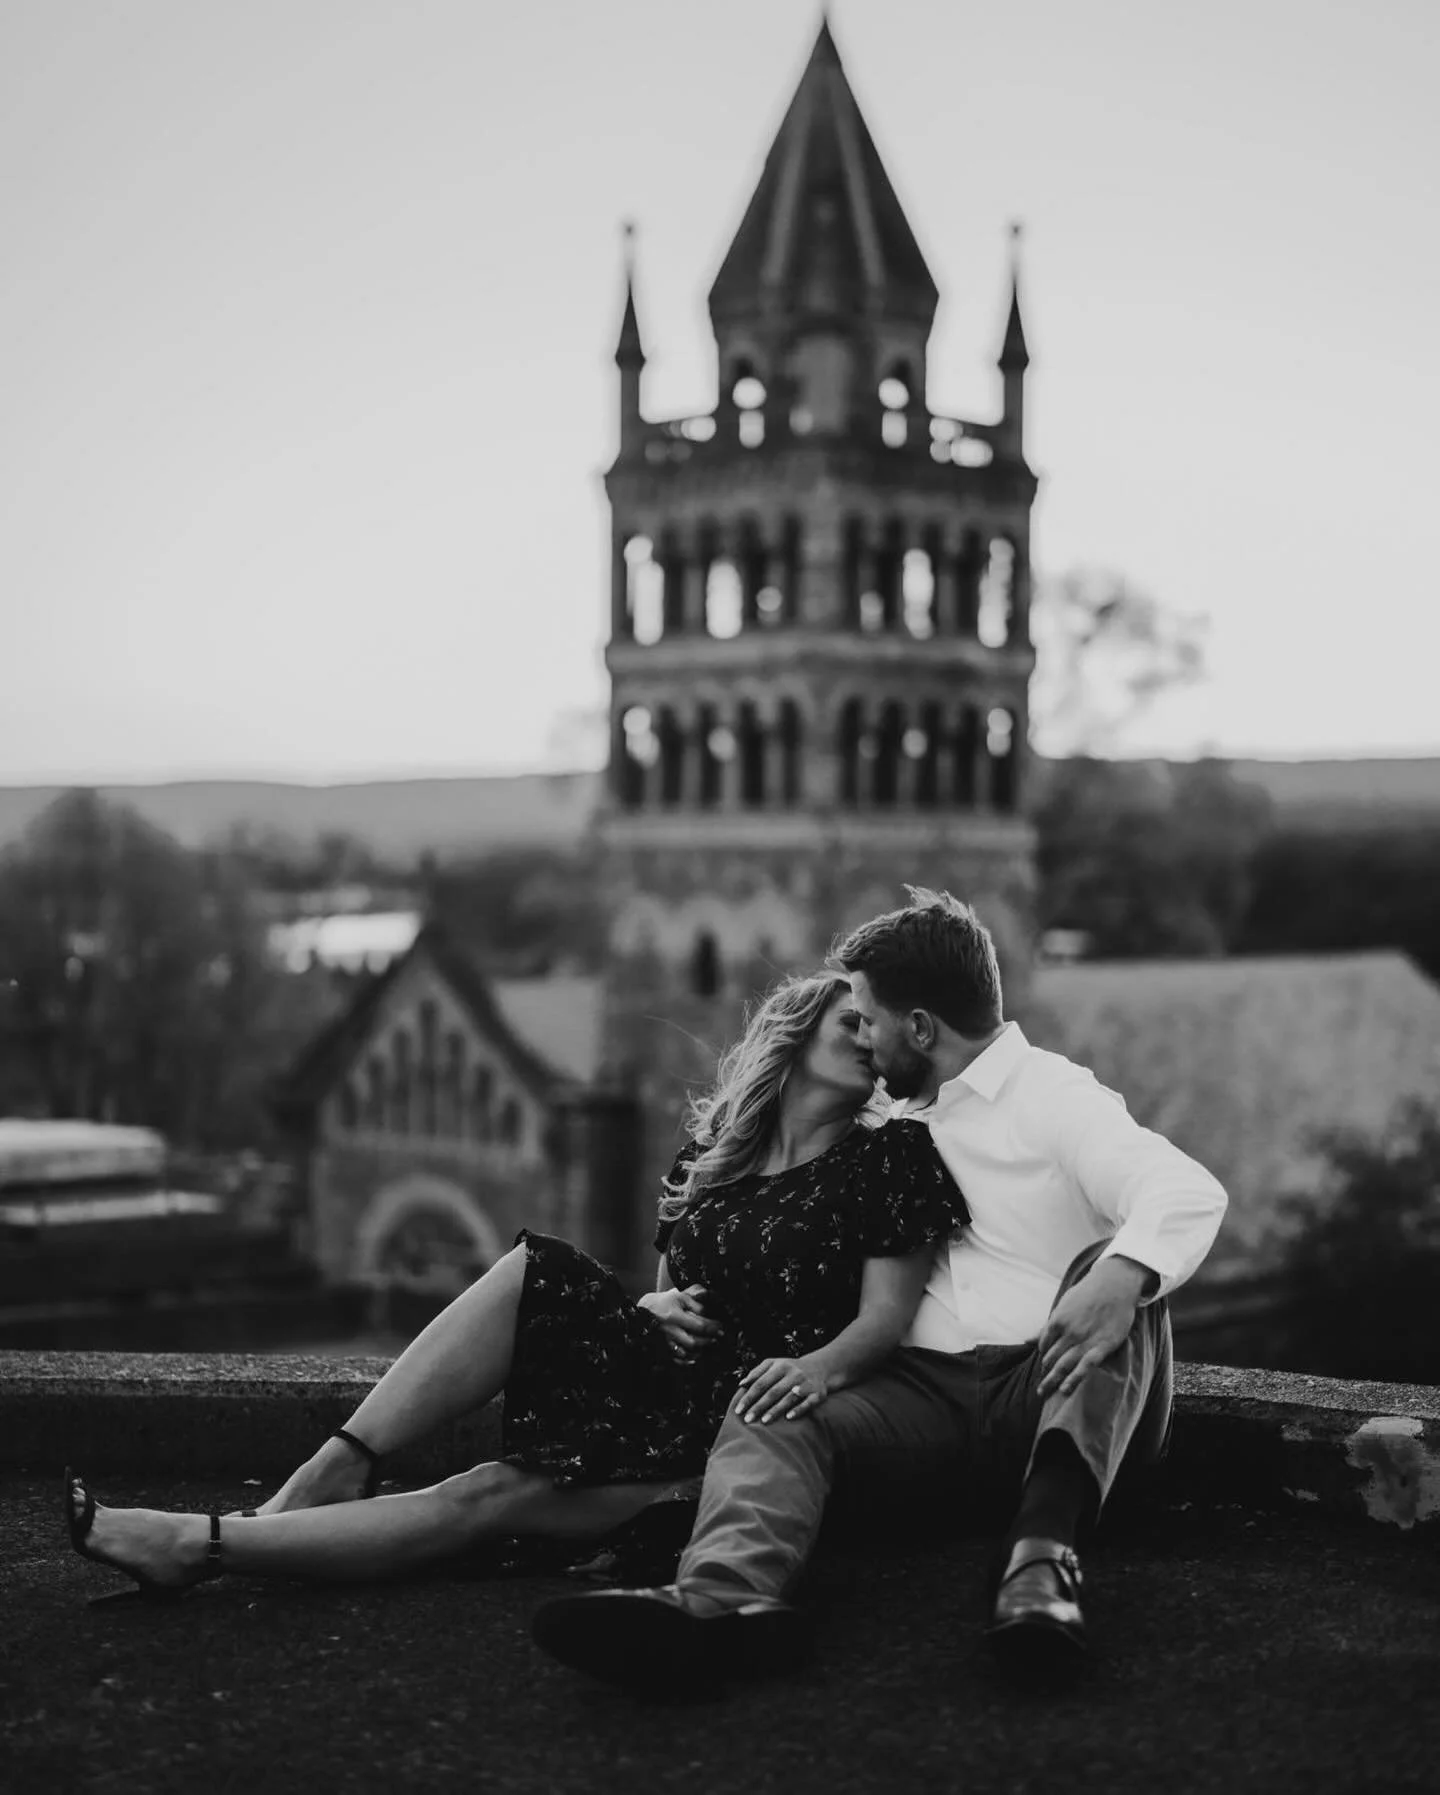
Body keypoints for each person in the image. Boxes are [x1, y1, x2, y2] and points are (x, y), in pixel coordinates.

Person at [64, 971, 966, 1604]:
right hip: (655, 1382)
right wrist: (649, 1307)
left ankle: (200, 1544)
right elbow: (665, 1288)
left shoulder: (889, 1158)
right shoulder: (715, 1156)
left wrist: (811, 1370)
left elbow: (883, 1320)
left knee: (489, 1492)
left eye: (878, 1026)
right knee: (535, 1267)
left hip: (736, 1431)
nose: (868, 1035)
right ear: (799, 1027)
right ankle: (334, 1466)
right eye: (851, 1016)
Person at [533, 888, 1228, 1686]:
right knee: (777, 1403)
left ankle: (1041, 1566)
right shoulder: (884, 1128)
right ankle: (719, 1603)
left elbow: (1183, 1188)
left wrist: (1121, 1275)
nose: (859, 1035)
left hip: (1055, 1392)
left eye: (866, 1017)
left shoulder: (1053, 1096)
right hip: (918, 1406)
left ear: (922, 1028)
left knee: (1112, 1269)